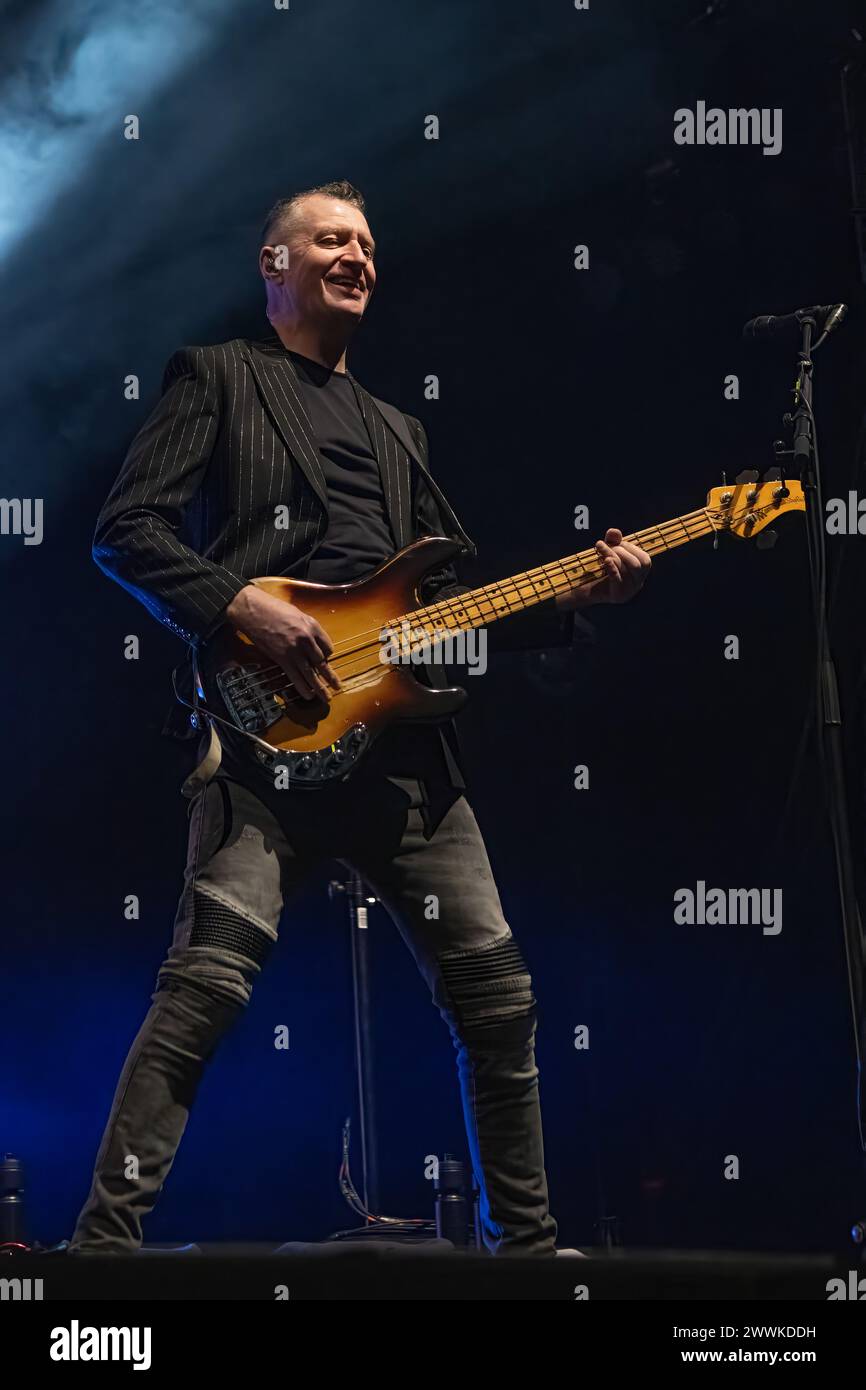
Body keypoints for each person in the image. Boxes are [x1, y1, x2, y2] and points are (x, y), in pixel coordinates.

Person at [69, 180, 650, 1257]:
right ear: (274, 267)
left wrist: (566, 605)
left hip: (402, 761)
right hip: (260, 747)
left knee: (498, 999)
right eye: (331, 239)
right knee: (201, 993)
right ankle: (101, 1257)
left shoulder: (398, 429)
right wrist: (240, 603)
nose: (357, 256)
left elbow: (442, 619)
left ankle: (523, 1250)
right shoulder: (220, 377)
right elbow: (126, 531)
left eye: (369, 244)